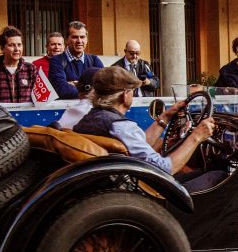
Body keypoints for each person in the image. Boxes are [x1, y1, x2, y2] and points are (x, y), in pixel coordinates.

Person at [74, 66, 222, 191]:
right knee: (218, 175)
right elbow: (165, 168)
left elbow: (137, 146)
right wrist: (196, 136)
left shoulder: (89, 120)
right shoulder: (121, 126)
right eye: (132, 90)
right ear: (125, 95)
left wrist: (165, 116)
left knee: (202, 172)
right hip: (144, 190)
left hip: (116, 184)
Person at [0, 26, 39, 103]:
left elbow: (39, 100)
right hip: (1, 115)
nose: (17, 49)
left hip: (25, 114)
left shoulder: (31, 69)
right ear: (2, 48)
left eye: (19, 45)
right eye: (11, 45)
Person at [49, 22, 103, 100]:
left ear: (87, 40)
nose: (79, 41)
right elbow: (62, 89)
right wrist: (88, 88)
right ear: (67, 40)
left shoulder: (94, 60)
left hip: (92, 110)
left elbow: (104, 87)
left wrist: (77, 85)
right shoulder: (56, 61)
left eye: (82, 37)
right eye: (74, 37)